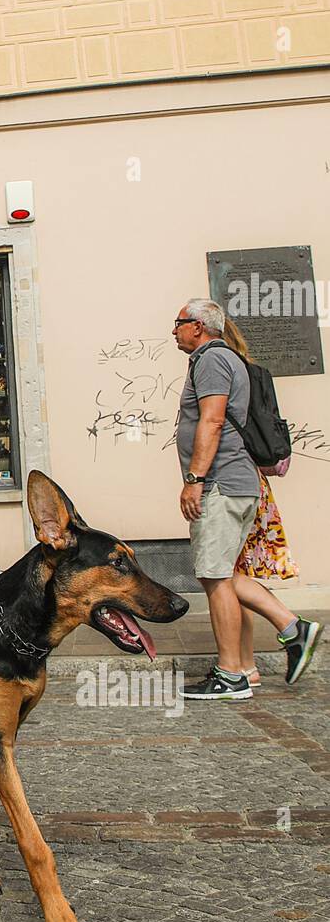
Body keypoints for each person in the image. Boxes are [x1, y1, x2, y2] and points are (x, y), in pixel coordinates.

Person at [173, 299, 321, 700]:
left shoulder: (211, 360)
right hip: (234, 483)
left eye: (179, 323)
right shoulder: (222, 358)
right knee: (222, 574)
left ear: (199, 327)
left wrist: (195, 479)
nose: (174, 330)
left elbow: (213, 419)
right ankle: (247, 667)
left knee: (215, 576)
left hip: (221, 483)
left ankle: (238, 670)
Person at [223, 319, 321, 688]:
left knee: (223, 575)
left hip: (233, 480)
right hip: (256, 482)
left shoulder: (227, 376)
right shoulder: (256, 373)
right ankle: (245, 665)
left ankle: (292, 626)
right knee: (235, 575)